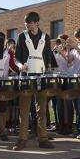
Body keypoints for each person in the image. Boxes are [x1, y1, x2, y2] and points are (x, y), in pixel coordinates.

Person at [13, 11, 56, 150]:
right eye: (26, 23)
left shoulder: (45, 37)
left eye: (30, 23)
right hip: (26, 77)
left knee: (42, 110)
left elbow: (48, 57)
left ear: (37, 23)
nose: (27, 25)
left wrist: (49, 70)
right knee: (24, 110)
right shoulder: (21, 36)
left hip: (41, 77)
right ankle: (22, 140)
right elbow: (16, 58)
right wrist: (20, 66)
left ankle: (43, 139)